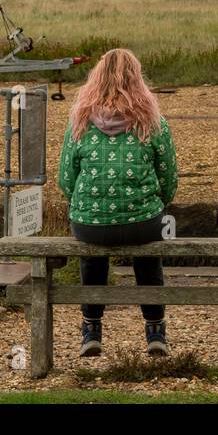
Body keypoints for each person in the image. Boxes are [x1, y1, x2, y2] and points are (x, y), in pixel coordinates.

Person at [58, 48, 178, 358]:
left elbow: (65, 181)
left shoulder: (79, 123)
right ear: (137, 79)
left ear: (94, 80)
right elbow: (168, 180)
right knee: (149, 256)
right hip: (144, 223)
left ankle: (91, 329)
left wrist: (86, 202)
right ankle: (155, 332)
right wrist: (152, 203)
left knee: (92, 248)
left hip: (91, 226)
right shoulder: (153, 123)